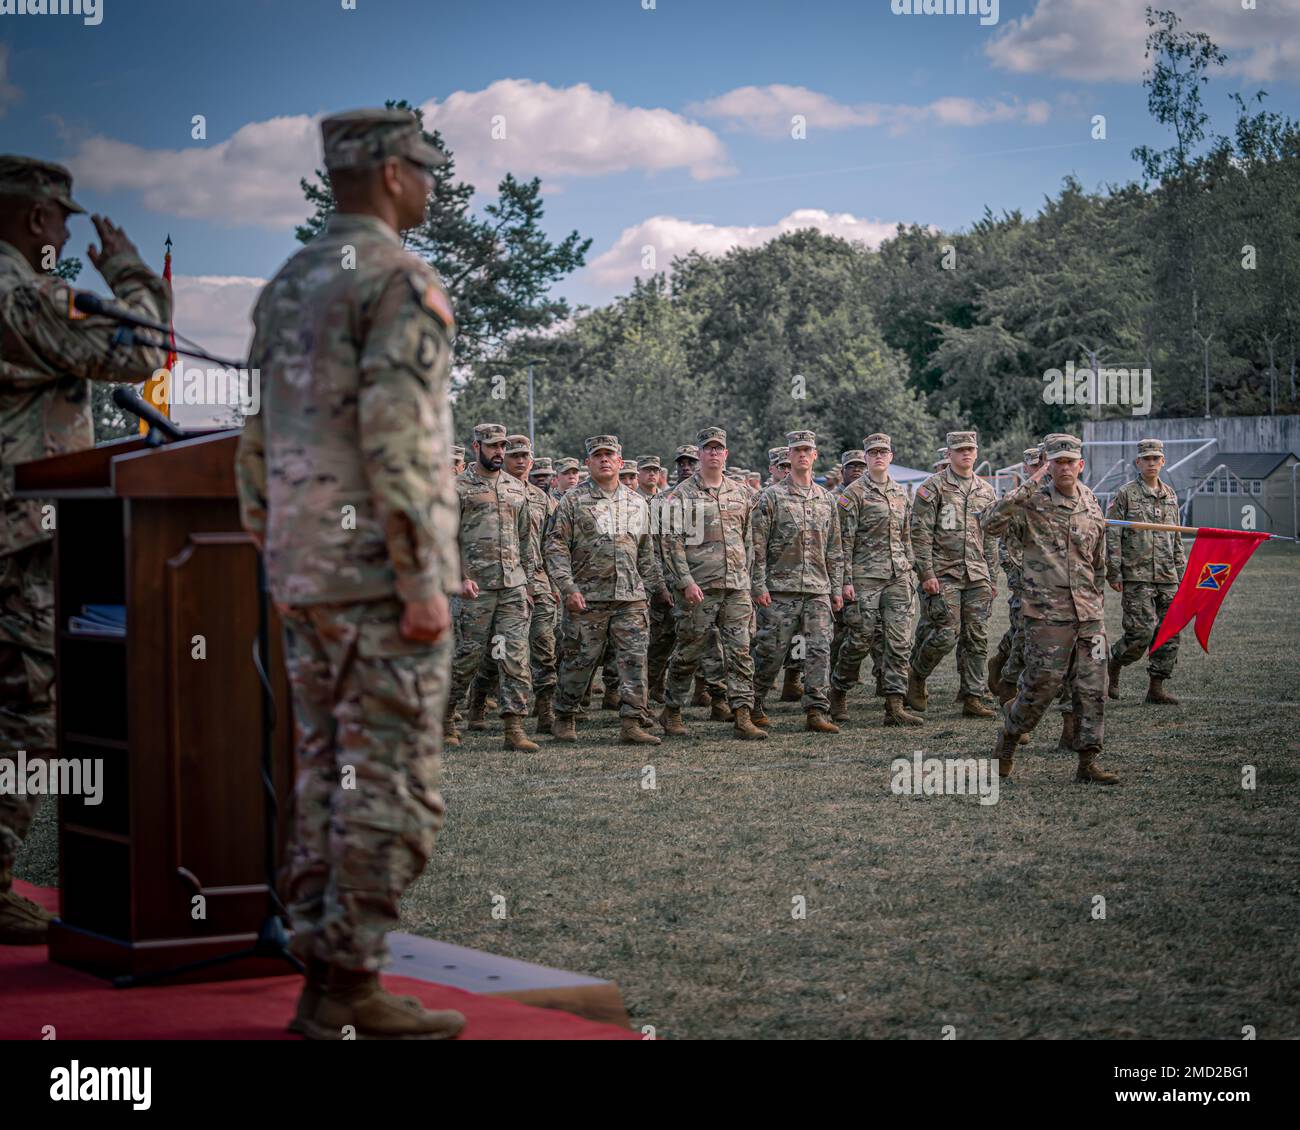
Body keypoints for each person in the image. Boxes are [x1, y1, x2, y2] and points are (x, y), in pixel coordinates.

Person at [234, 108, 464, 1038]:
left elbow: (254, 444)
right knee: (393, 779)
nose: (433, 182)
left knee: (324, 771)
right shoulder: (397, 279)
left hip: (304, 571)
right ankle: (348, 986)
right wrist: (419, 580)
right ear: (389, 173)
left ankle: (324, 976)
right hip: (375, 575)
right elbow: (400, 444)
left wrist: (277, 548)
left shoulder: (292, 280)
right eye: (425, 165)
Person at [0, 156, 172, 945]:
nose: (69, 231)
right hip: (14, 538)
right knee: (27, 711)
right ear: (35, 218)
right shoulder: (23, 294)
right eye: (61, 218)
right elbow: (139, 351)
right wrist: (131, 271)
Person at [980, 434, 1116, 784]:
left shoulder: (1091, 501)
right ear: (1047, 466)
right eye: (1057, 462)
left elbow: (1096, 558)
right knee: (1043, 684)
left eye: (1071, 461)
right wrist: (1031, 482)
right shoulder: (1031, 502)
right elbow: (990, 523)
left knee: (1092, 687)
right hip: (1046, 612)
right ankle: (1008, 739)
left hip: (1088, 614)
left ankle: (1087, 761)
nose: (1065, 467)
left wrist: (1097, 599)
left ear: (1081, 465)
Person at [546, 435, 667, 744]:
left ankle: (631, 723)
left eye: (609, 454)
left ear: (620, 460)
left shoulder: (636, 502)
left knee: (633, 661)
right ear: (588, 462)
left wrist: (653, 590)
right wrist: (567, 587)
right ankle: (564, 716)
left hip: (630, 597)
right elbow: (556, 548)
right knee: (578, 660)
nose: (603, 459)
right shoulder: (573, 501)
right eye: (597, 455)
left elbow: (646, 552)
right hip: (587, 597)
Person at [658, 427, 766, 740]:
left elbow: (748, 540)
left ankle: (742, 715)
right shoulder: (681, 495)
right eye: (709, 449)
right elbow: (671, 543)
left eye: (719, 448)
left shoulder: (739, 491)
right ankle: (672, 709)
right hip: (698, 588)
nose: (714, 453)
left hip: (735, 586)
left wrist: (749, 581)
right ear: (700, 454)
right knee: (689, 651)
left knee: (740, 652)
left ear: (726, 454)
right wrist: (685, 581)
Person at [446, 422, 534, 752]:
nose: (499, 452)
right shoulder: (456, 488)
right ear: (476, 447)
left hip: (512, 586)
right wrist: (458, 578)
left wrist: (527, 581)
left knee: (515, 657)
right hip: (473, 588)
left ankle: (514, 728)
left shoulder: (515, 488)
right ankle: (446, 720)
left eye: (502, 446)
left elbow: (525, 538)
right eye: (493, 446)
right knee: (466, 658)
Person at [750, 431, 844, 736]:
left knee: (818, 650)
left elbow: (835, 548)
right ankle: (754, 702)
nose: (802, 454)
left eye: (808, 450)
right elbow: (757, 544)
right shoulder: (772, 496)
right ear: (788, 456)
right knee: (771, 650)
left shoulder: (826, 499)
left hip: (818, 587)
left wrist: (837, 587)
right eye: (797, 450)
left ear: (815, 455)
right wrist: (758, 585)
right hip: (780, 587)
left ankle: (817, 710)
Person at [467, 435, 558, 735]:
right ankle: (478, 700)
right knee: (492, 651)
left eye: (525, 456)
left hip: (535, 579)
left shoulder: (542, 499)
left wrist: (551, 584)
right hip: (492, 581)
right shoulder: (489, 490)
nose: (519, 460)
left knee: (541, 645)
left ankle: (543, 711)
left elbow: (549, 543)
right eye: (513, 455)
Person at [830, 434, 922, 727]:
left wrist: (910, 568)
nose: (879, 457)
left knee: (899, 642)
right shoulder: (852, 495)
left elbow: (906, 535)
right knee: (860, 639)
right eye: (873, 453)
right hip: (865, 576)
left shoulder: (899, 493)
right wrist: (845, 581)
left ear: (891, 456)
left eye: (883, 452)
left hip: (897, 576)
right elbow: (843, 542)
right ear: (866, 458)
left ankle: (894, 705)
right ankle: (839, 691)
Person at [907, 430, 998, 719]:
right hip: (943, 573)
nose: (966, 454)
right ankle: (917, 675)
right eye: (959, 450)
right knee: (946, 633)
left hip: (977, 574)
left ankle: (973, 695)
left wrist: (992, 577)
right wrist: (926, 573)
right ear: (949, 454)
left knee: (977, 637)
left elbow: (991, 537)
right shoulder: (932, 488)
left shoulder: (986, 491)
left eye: (970, 449)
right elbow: (919, 534)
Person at [1106, 438, 1187, 705]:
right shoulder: (1125, 494)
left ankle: (1156, 687)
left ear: (1163, 462)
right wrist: (1114, 571)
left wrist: (1182, 571)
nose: (1151, 463)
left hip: (1167, 575)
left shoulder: (1171, 495)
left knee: (1170, 632)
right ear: (1138, 463)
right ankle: (1115, 662)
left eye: (1156, 459)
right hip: (1136, 574)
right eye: (1146, 459)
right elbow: (1114, 533)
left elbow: (1176, 537)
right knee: (1140, 633)